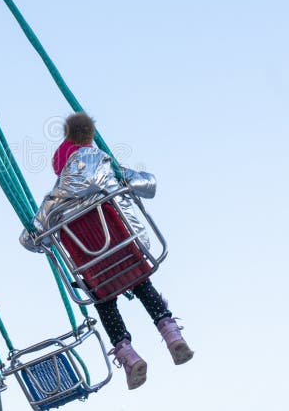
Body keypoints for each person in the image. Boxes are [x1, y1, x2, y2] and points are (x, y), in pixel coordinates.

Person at [21, 112, 193, 390]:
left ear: (59, 166)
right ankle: (172, 334)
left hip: (96, 274)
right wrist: (127, 176)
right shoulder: (109, 171)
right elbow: (150, 185)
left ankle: (128, 355)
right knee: (142, 285)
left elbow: (31, 241)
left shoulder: (53, 203)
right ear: (88, 142)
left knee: (103, 301)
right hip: (129, 255)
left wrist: (34, 227)